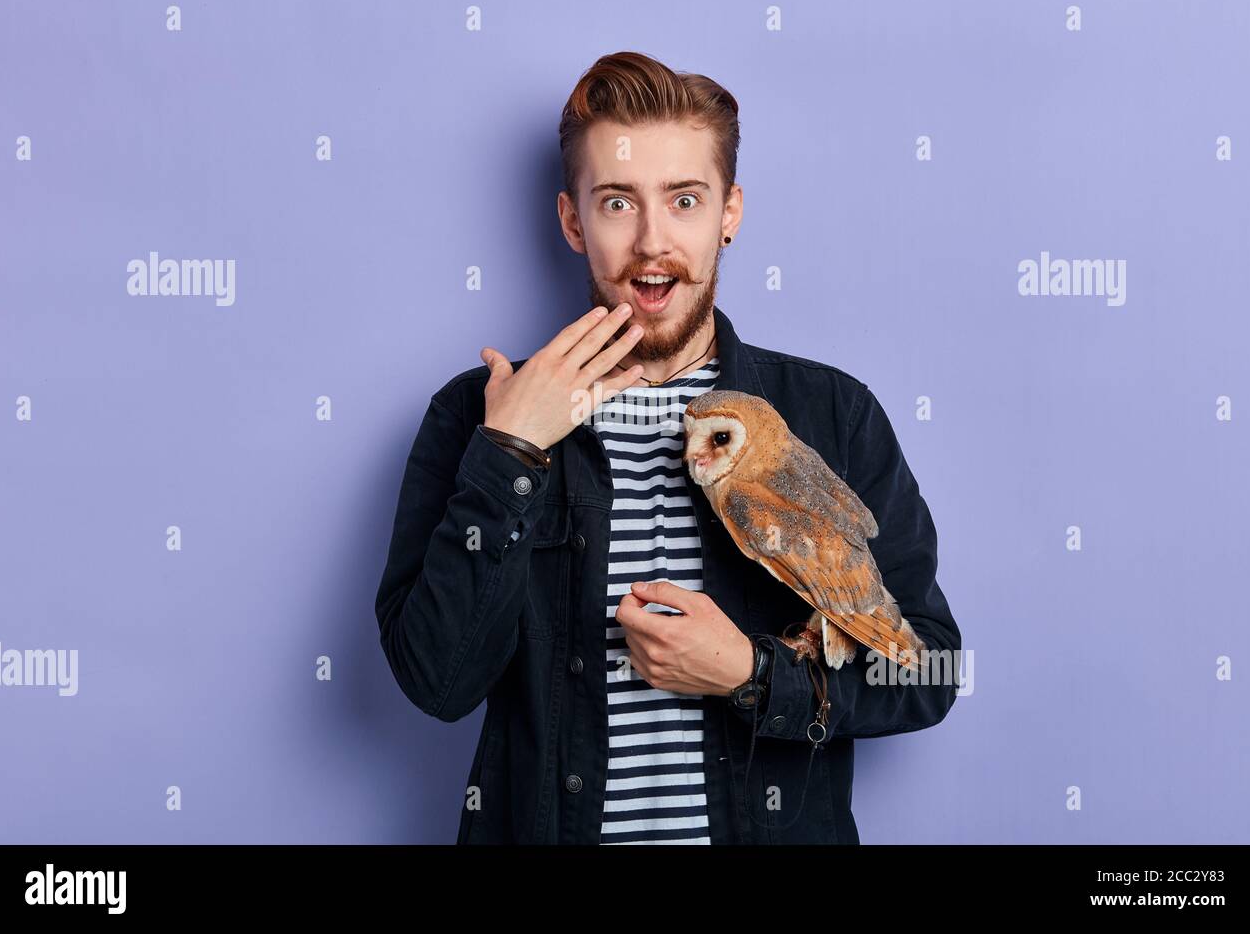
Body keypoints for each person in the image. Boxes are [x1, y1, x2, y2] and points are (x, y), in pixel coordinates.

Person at [374, 51, 961, 844]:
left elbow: (929, 673)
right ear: (574, 220)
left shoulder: (832, 415)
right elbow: (437, 682)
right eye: (618, 202)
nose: (653, 241)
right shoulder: (475, 416)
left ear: (731, 213)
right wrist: (510, 454)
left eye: (685, 199)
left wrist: (754, 676)